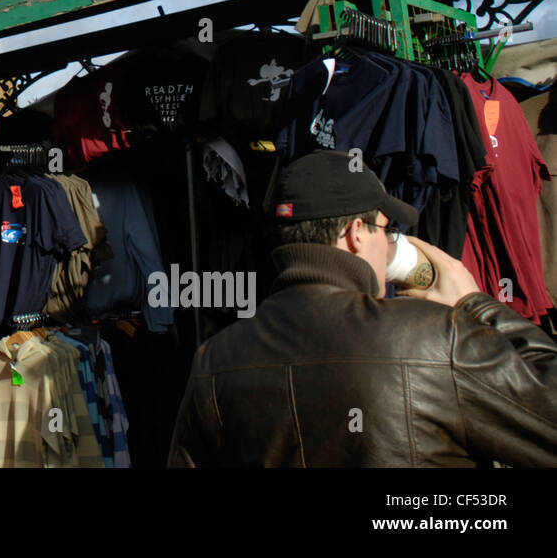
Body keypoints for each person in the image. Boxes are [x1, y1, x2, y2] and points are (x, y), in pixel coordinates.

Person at [169, 150, 557, 467]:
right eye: (388, 230)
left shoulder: (213, 361)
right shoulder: (437, 338)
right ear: (356, 232)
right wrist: (475, 305)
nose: (391, 247)